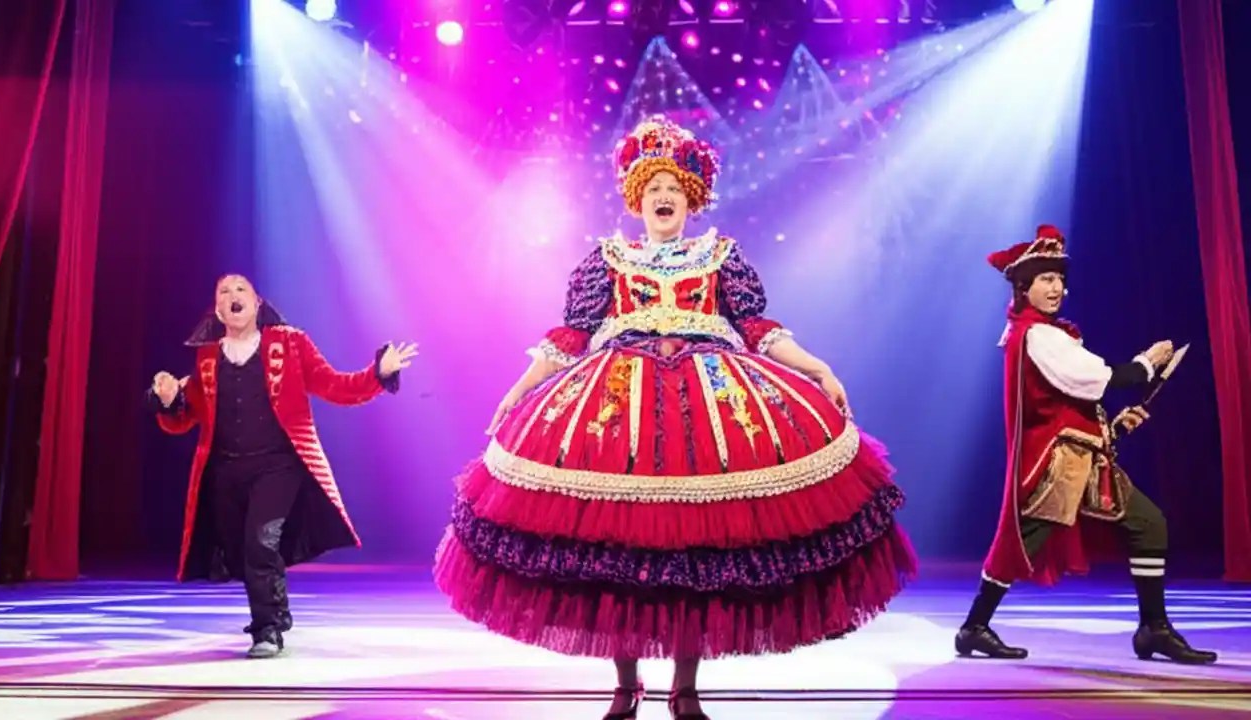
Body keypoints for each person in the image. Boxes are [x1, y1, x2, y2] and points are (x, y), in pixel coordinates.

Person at [433, 116, 917, 719]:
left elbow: (758, 328)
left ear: (691, 198)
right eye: (653, 187)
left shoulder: (720, 257)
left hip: (706, 402)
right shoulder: (609, 259)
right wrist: (519, 389)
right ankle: (626, 682)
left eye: (674, 187)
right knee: (620, 547)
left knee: (693, 551)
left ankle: (685, 687)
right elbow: (571, 335)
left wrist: (817, 367)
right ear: (638, 200)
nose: (664, 196)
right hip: (618, 403)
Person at [955, 225, 1217, 665]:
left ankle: (1153, 628)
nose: (1057, 287)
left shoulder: (1039, 333)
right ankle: (974, 627)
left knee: (1148, 524)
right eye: (1046, 279)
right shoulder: (1038, 335)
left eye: (1059, 278)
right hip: (1055, 466)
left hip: (1078, 460)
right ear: (1024, 287)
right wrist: (1147, 364)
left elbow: (1070, 402)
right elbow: (1103, 378)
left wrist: (1115, 426)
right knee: (1022, 542)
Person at [149, 273, 417, 658]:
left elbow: (335, 385)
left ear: (257, 303)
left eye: (241, 289)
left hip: (278, 465)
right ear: (218, 311)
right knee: (242, 550)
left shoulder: (290, 343)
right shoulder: (207, 356)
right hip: (226, 471)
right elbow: (184, 417)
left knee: (261, 541)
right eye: (224, 291)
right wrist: (168, 398)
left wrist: (378, 373)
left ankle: (267, 629)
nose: (232, 295)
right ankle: (274, 610)